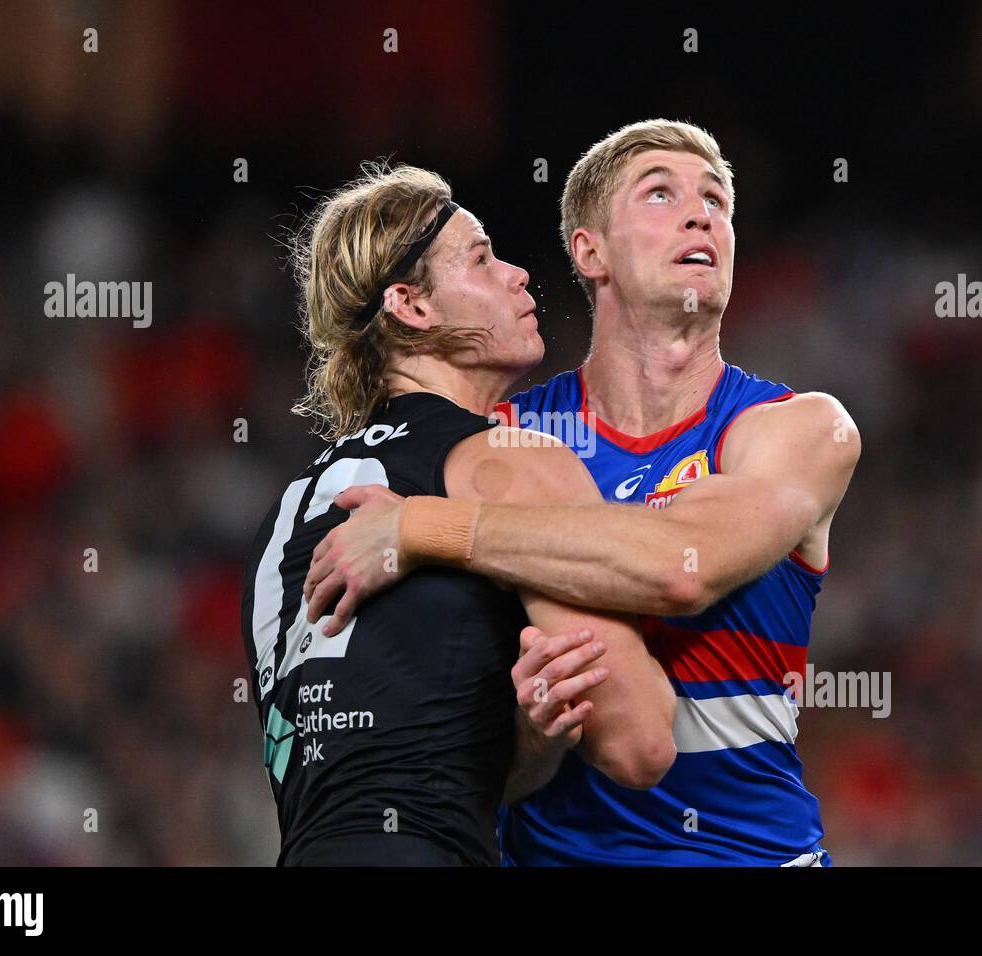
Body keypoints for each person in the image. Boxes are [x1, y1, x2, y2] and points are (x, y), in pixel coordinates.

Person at [303, 121, 861, 866]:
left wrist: (423, 528)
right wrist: (538, 734)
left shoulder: (799, 429)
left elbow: (682, 567)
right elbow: (484, 775)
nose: (701, 214)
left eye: (717, 201)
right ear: (588, 250)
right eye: (661, 193)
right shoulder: (501, 445)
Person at [243, 162, 674, 866]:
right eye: (481, 258)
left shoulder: (283, 517)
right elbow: (641, 744)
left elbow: (404, 762)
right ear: (412, 306)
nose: (519, 276)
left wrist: (534, 738)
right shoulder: (499, 460)